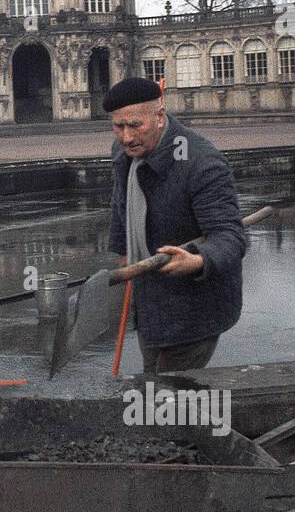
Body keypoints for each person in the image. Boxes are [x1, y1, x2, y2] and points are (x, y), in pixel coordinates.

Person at [104, 77, 247, 373]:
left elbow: (231, 236)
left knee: (171, 393)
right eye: (119, 127)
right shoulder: (123, 152)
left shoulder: (200, 162)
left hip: (194, 306)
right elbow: (121, 205)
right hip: (149, 296)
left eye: (135, 125)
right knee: (153, 375)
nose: (127, 137)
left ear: (159, 116)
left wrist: (198, 260)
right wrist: (121, 249)